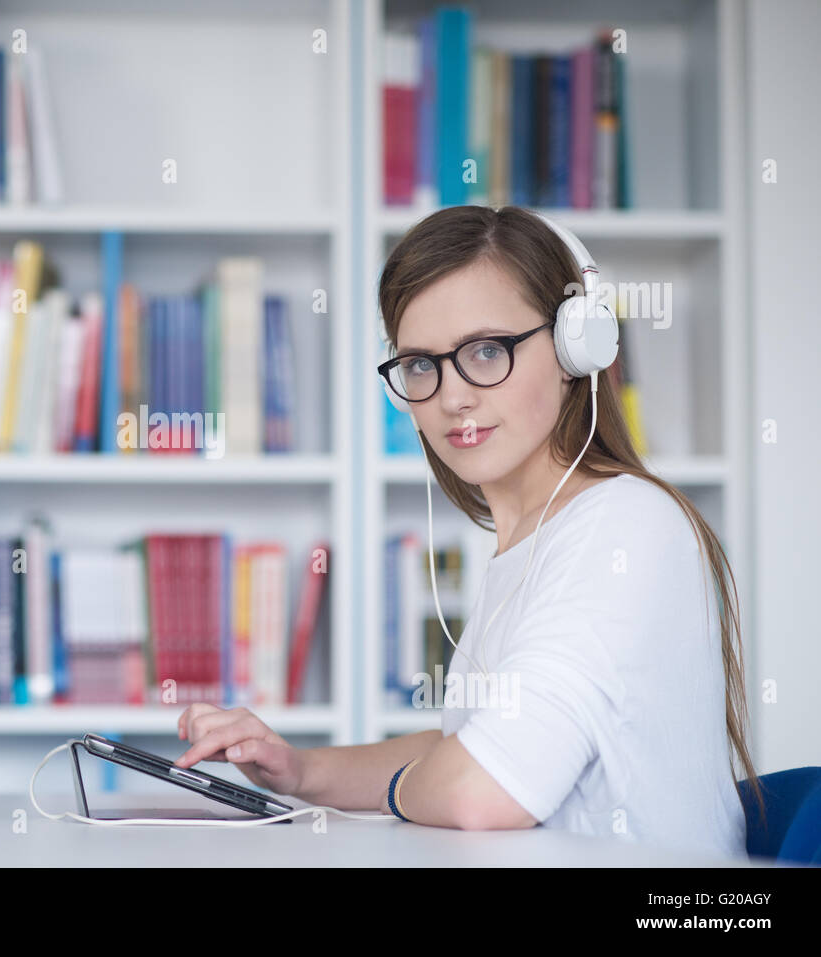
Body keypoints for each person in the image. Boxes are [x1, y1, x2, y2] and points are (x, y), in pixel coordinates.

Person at [173, 204, 764, 859]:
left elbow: (481, 787)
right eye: (422, 365)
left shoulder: (624, 526)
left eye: (486, 351)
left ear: (577, 347)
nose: (452, 396)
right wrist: (300, 769)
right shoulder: (528, 542)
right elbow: (466, 750)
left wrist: (413, 787)